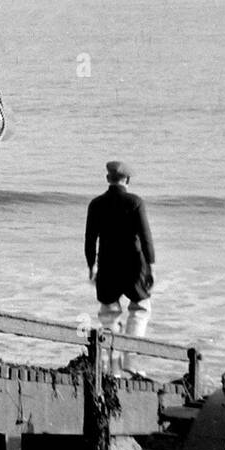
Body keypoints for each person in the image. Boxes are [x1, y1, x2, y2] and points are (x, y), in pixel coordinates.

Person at [85, 160, 155, 374]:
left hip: (107, 266)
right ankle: (130, 361)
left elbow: (90, 240)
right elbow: (145, 238)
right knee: (140, 309)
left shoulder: (96, 204)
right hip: (134, 266)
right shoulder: (135, 202)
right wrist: (151, 266)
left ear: (108, 179)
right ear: (129, 180)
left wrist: (92, 265)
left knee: (109, 315)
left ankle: (113, 367)